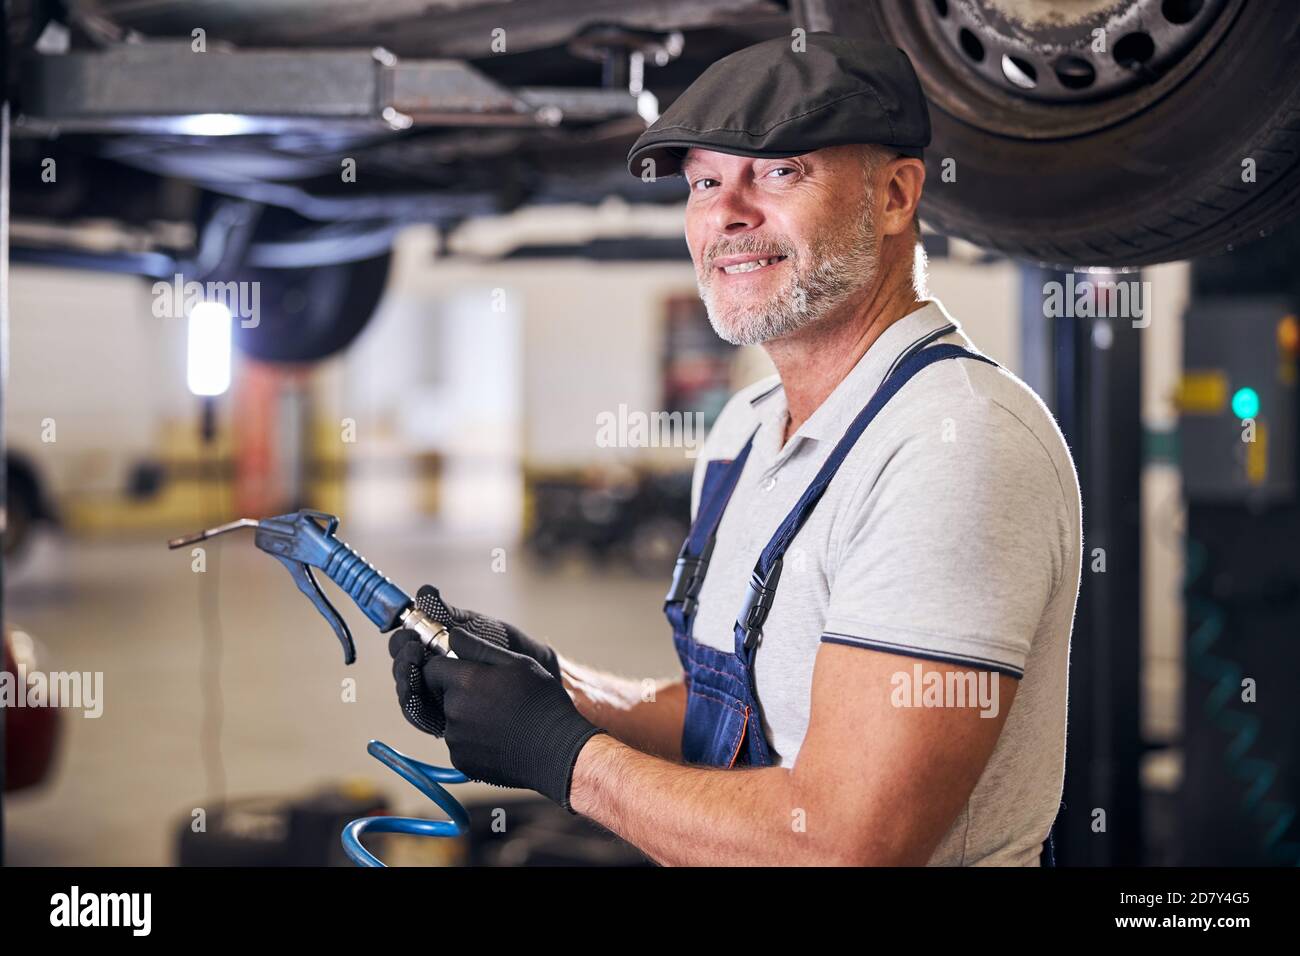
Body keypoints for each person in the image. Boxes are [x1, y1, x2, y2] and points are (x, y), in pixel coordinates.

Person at [390, 32, 1081, 866]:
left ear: (896, 196)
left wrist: (562, 755)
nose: (728, 212)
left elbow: (844, 843)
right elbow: (735, 717)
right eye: (706, 182)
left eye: (780, 172)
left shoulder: (953, 443)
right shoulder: (745, 431)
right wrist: (552, 685)